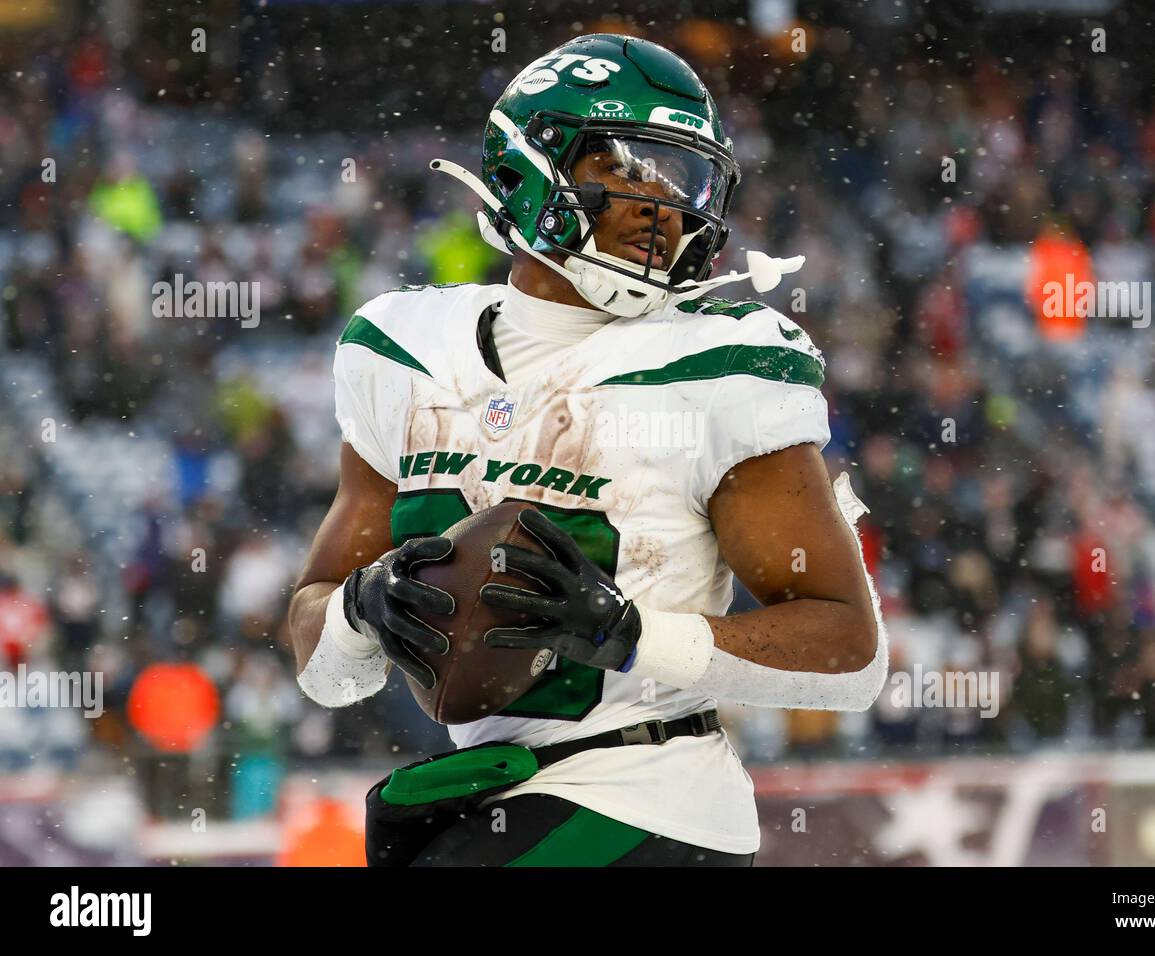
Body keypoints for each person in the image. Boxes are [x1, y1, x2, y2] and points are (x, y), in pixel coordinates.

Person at [288, 33, 888, 867]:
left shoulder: (718, 364)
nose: (664, 207)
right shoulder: (400, 349)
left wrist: (637, 633)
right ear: (524, 172)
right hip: (492, 786)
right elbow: (323, 670)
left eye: (684, 182)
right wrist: (359, 608)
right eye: (632, 169)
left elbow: (848, 655)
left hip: (649, 798)